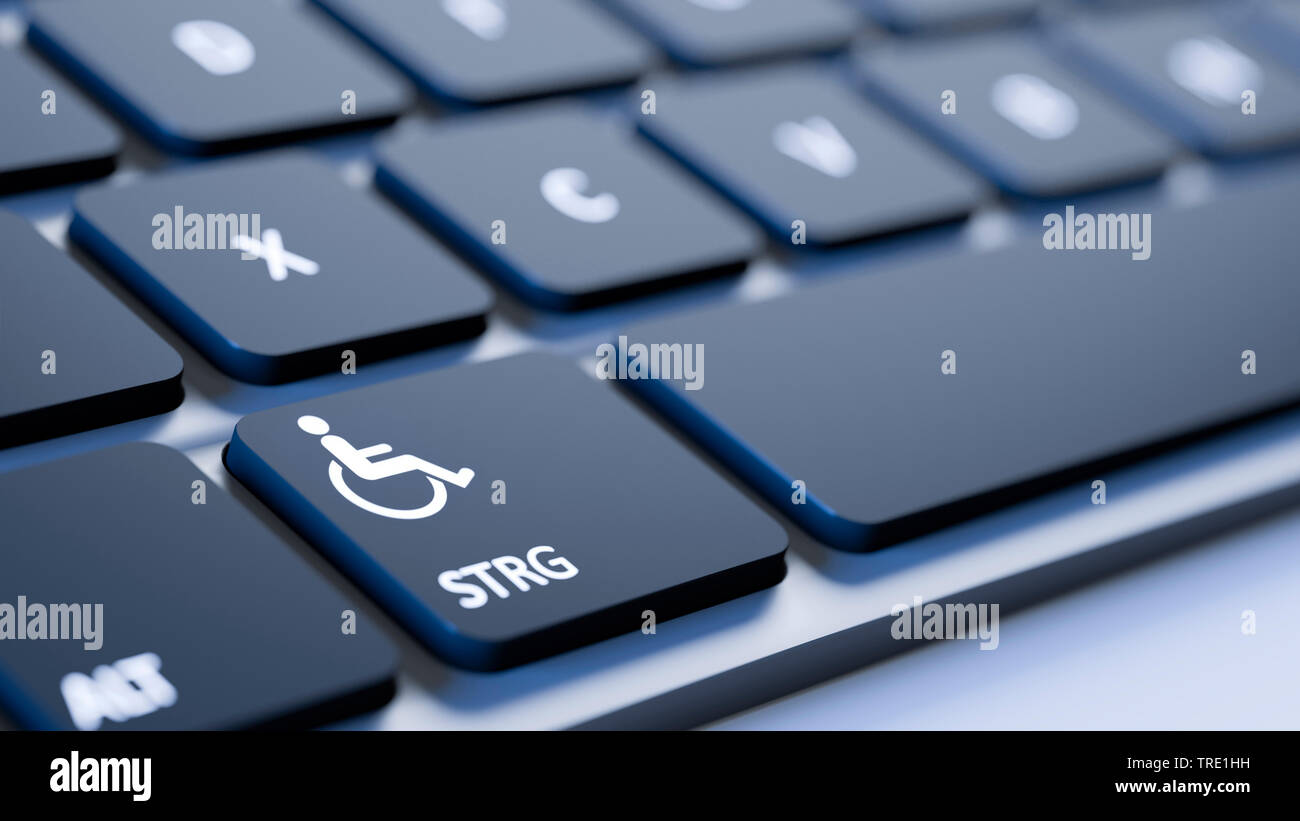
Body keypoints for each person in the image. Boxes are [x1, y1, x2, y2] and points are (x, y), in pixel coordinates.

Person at [296, 415, 474, 488]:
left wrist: (381, 449)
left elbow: (355, 456)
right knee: (411, 460)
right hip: (367, 471)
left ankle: (456, 478)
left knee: (410, 460)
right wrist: (380, 449)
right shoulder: (331, 439)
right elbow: (353, 460)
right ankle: (457, 479)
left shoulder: (331, 438)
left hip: (366, 468)